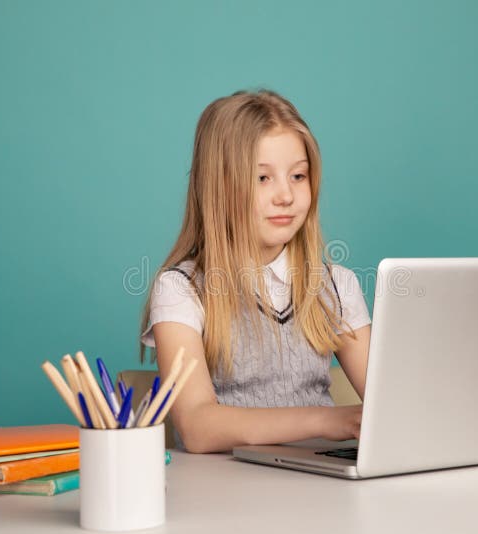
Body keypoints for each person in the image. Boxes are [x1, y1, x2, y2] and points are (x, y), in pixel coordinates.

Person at [140, 89, 371, 453]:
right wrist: (328, 420)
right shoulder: (181, 289)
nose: (286, 196)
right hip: (229, 494)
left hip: (323, 489)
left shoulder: (337, 285)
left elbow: (391, 402)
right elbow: (198, 426)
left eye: (298, 176)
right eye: (262, 178)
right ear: (218, 186)